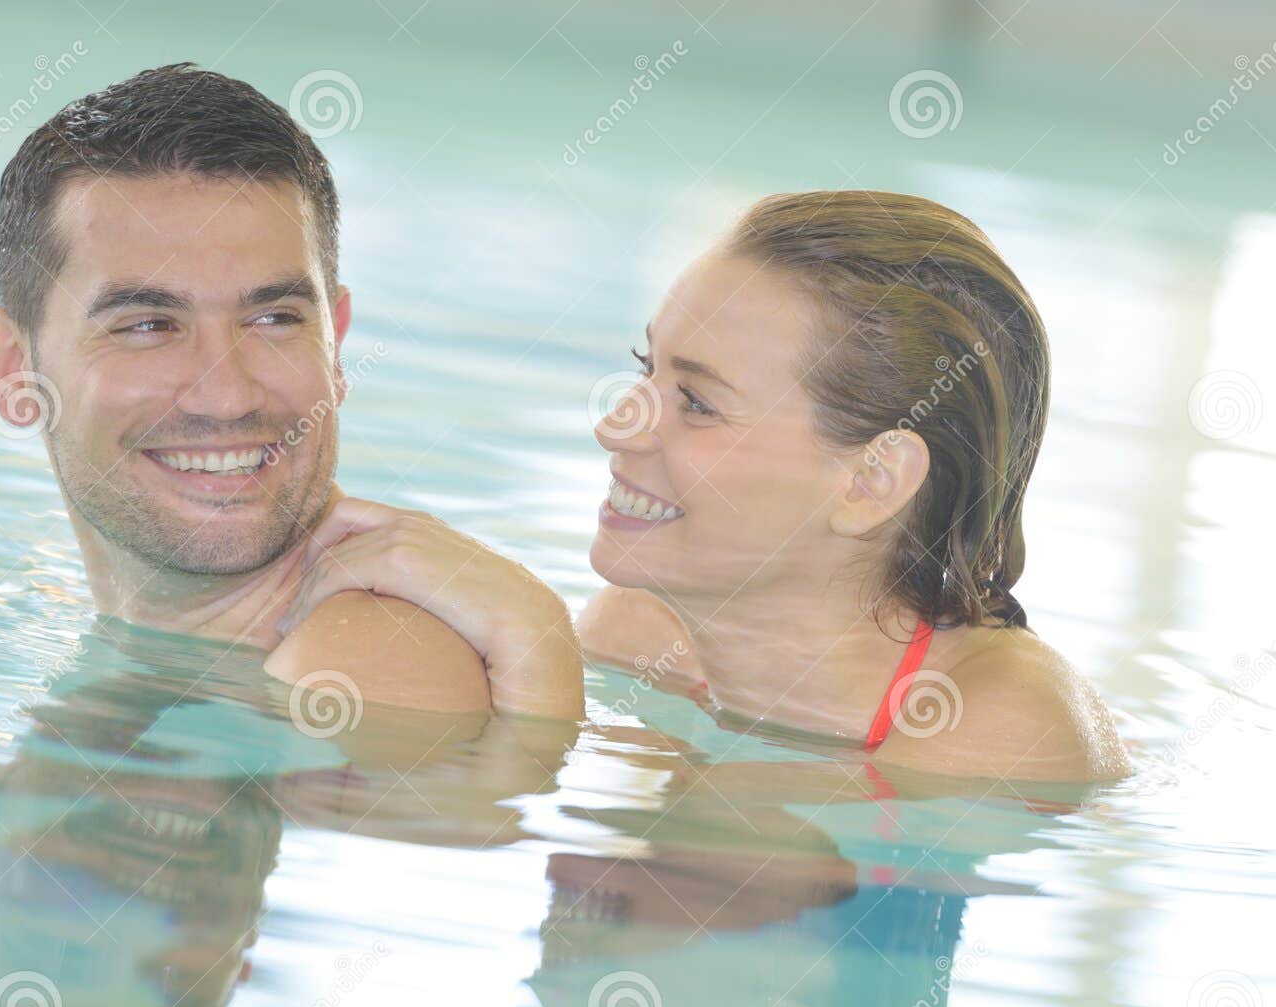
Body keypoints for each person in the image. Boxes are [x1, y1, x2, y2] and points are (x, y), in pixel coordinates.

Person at [286, 191, 1129, 780]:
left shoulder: (999, 727)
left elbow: (753, 874)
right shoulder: (638, 630)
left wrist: (531, 639)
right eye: (644, 371)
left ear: (872, 481)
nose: (615, 425)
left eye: (695, 401)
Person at [0, 63, 583, 721]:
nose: (227, 396)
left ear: (335, 342)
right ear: (14, 368)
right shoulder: (73, 599)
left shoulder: (359, 660)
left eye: (273, 319)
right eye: (149, 326)